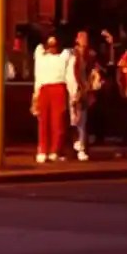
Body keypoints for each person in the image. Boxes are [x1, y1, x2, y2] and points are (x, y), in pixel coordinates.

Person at [33, 35, 78, 163]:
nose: (51, 48)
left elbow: (70, 76)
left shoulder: (65, 56)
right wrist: (35, 94)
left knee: (57, 122)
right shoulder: (41, 57)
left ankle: (54, 150)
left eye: (54, 45)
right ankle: (43, 150)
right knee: (43, 121)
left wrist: (73, 94)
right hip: (44, 88)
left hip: (59, 87)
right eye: (50, 45)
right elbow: (38, 76)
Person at [71, 30, 101, 161]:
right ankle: (76, 146)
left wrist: (92, 81)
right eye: (82, 38)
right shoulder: (72, 55)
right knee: (75, 120)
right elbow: (72, 73)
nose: (84, 40)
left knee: (81, 120)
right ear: (77, 40)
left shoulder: (90, 55)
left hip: (84, 91)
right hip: (74, 90)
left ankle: (81, 147)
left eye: (86, 38)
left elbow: (94, 71)